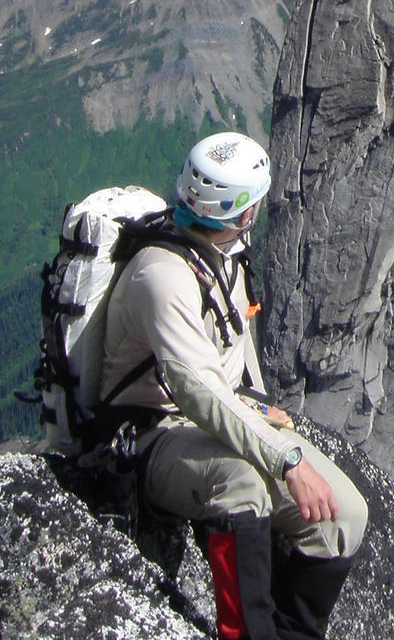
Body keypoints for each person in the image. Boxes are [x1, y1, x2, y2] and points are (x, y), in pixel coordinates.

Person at [99, 131, 369, 640]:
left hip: (209, 418)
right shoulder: (162, 274)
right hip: (148, 435)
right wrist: (286, 459)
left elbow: (233, 345)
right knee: (242, 484)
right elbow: (196, 389)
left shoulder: (224, 252)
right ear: (244, 213)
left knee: (344, 514)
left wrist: (258, 404)